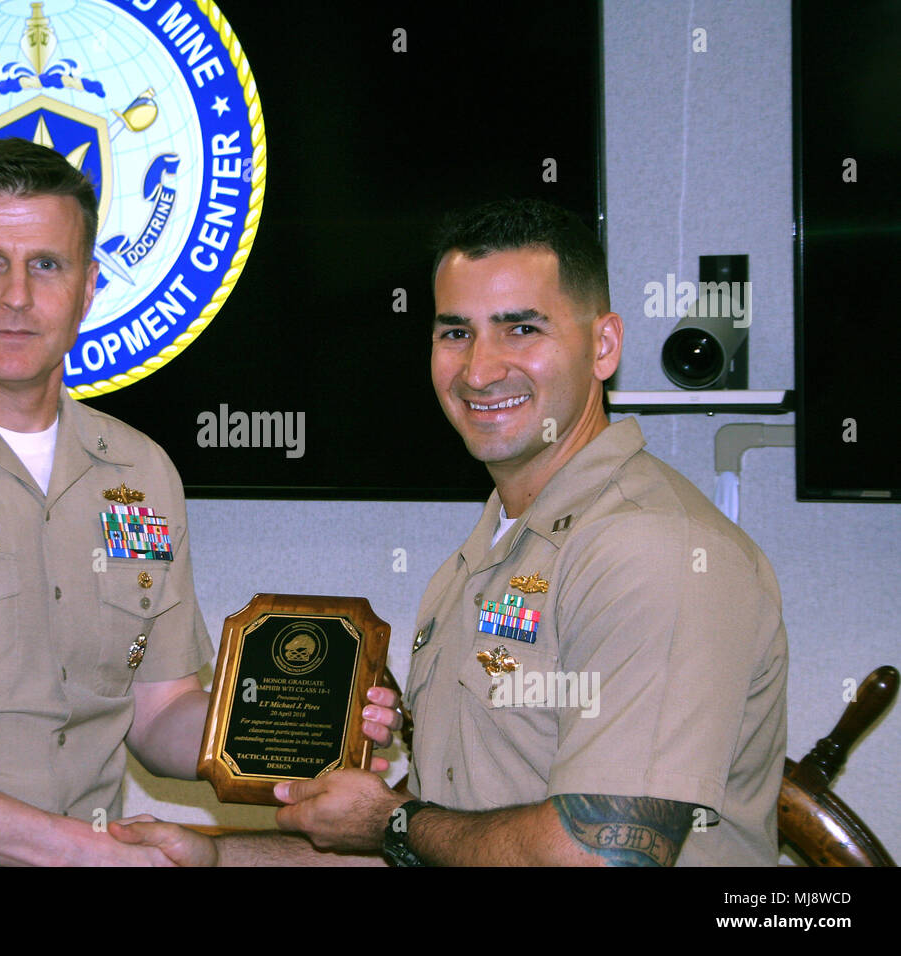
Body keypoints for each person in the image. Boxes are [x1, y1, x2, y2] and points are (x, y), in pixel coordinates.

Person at [0, 137, 403, 865]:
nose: (17, 295)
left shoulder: (138, 471)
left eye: (47, 264)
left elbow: (158, 712)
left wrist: (307, 732)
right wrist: (78, 852)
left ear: (90, 287)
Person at [114, 198, 788, 866]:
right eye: (455, 332)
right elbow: (439, 842)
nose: (480, 369)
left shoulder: (650, 550)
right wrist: (210, 857)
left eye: (521, 329)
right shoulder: (486, 555)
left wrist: (388, 822)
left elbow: (601, 856)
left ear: (603, 344)